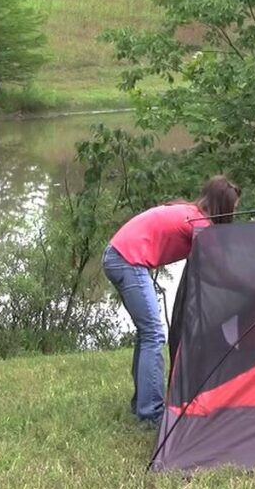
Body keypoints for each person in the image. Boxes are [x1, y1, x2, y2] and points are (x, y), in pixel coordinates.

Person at [102, 175, 240, 424]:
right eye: (234, 208)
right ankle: (151, 413)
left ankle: (141, 405)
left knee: (146, 334)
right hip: (127, 260)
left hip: (116, 255)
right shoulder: (200, 225)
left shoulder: (189, 212)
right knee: (154, 334)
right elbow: (219, 266)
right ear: (224, 207)